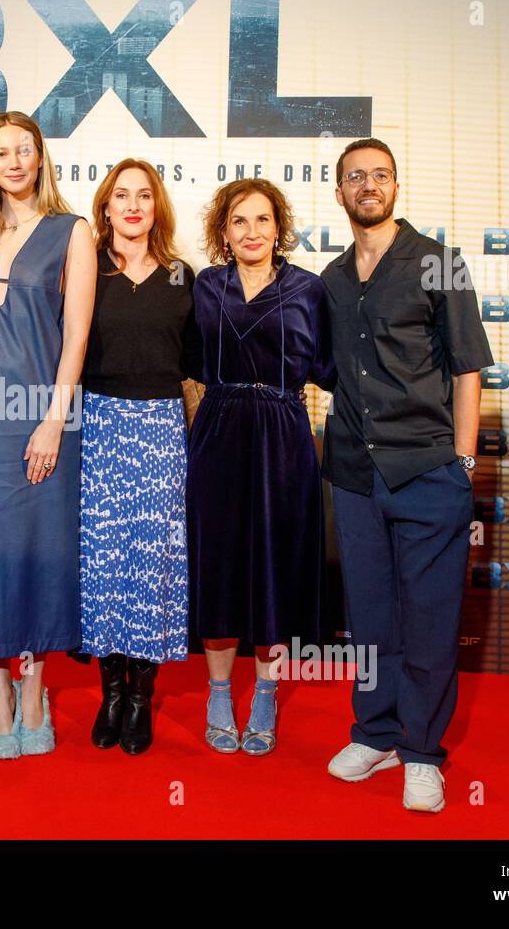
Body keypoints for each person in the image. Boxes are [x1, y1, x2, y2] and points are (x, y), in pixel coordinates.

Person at [321, 138, 491, 813]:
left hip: (427, 469)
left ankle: (422, 752)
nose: (368, 185)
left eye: (380, 175)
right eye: (355, 177)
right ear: (338, 193)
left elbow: (468, 368)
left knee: (428, 619)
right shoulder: (331, 279)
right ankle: (376, 733)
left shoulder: (438, 264)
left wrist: (466, 460)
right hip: (356, 472)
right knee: (369, 620)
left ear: (396, 186)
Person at [0, 111, 96, 758]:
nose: (13, 162)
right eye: (1, 152)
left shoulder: (72, 231)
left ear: (40, 159)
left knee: (36, 559)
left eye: (24, 150)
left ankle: (35, 694)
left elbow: (77, 335)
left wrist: (54, 419)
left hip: (43, 419)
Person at [186, 178, 335, 757]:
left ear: (280, 228)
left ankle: (267, 694)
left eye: (263, 220)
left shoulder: (309, 290)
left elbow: (328, 368)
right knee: (219, 568)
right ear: (223, 232)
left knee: (276, 567)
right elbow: (190, 369)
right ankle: (219, 692)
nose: (252, 232)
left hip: (282, 436)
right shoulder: (204, 287)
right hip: (219, 433)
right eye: (239, 221)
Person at [79, 158, 196, 756]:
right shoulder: (86, 270)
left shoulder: (182, 277)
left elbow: (196, 366)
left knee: (150, 567)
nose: (132, 205)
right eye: (121, 195)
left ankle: (142, 696)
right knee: (104, 564)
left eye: (143, 196)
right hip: (98, 425)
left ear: (157, 207)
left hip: (160, 428)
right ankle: (110, 692)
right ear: (105, 206)